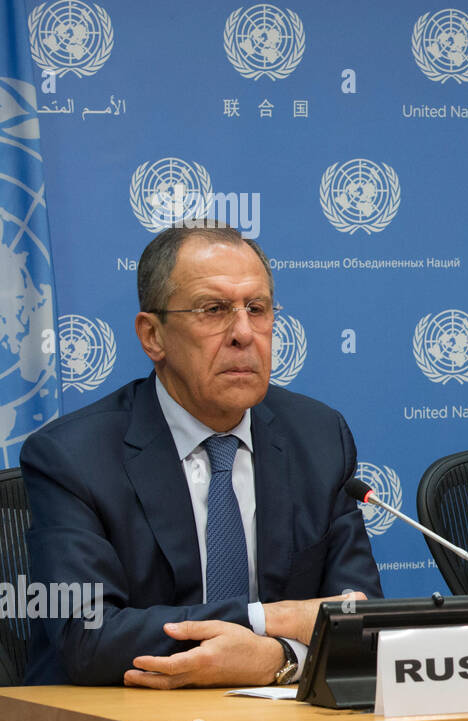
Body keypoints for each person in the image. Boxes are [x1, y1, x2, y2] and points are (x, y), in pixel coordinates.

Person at [20, 224, 382, 686]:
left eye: (258, 308)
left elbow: (363, 619)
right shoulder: (72, 457)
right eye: (214, 310)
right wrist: (270, 620)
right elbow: (88, 637)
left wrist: (277, 660)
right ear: (153, 336)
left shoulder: (319, 437)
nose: (244, 334)